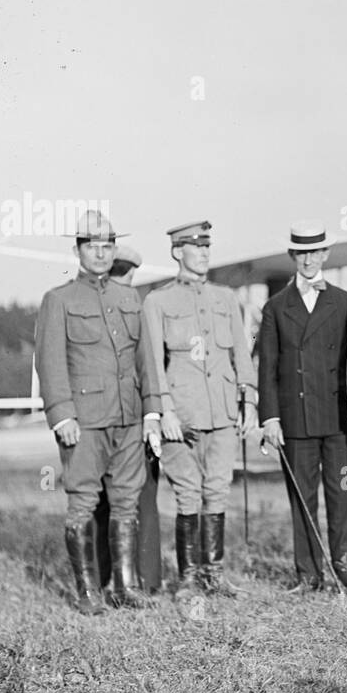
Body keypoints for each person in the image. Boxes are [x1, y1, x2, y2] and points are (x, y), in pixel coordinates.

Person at [34, 211, 155, 613]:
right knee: (83, 502)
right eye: (92, 246)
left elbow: (146, 361)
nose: (101, 253)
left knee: (126, 501)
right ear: (78, 250)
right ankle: (88, 592)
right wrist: (61, 414)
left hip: (129, 417)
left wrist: (152, 411)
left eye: (108, 246)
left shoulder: (129, 298)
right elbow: (49, 362)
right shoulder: (59, 299)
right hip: (84, 421)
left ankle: (124, 585)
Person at [141, 221, 258, 597]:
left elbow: (241, 353)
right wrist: (165, 412)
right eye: (196, 246)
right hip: (183, 417)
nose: (204, 252)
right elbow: (153, 363)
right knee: (188, 493)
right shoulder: (158, 301)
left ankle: (215, 575)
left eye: (208, 245)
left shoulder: (226, 298)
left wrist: (249, 400)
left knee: (218, 491)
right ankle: (189, 577)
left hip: (222, 413)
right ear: (178, 251)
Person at [257, 222, 347, 593]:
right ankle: (308, 574)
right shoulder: (275, 307)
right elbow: (268, 367)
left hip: (339, 425)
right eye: (301, 253)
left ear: (325, 255)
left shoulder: (346, 302)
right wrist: (270, 418)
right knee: (301, 499)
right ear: (293, 256)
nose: (308, 259)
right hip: (295, 424)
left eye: (314, 252)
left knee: (344, 492)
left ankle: (344, 568)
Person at [93, 243, 163, 595]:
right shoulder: (136, 309)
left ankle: (118, 580)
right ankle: (139, 580)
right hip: (129, 422)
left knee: (105, 501)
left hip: (115, 422)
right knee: (138, 498)